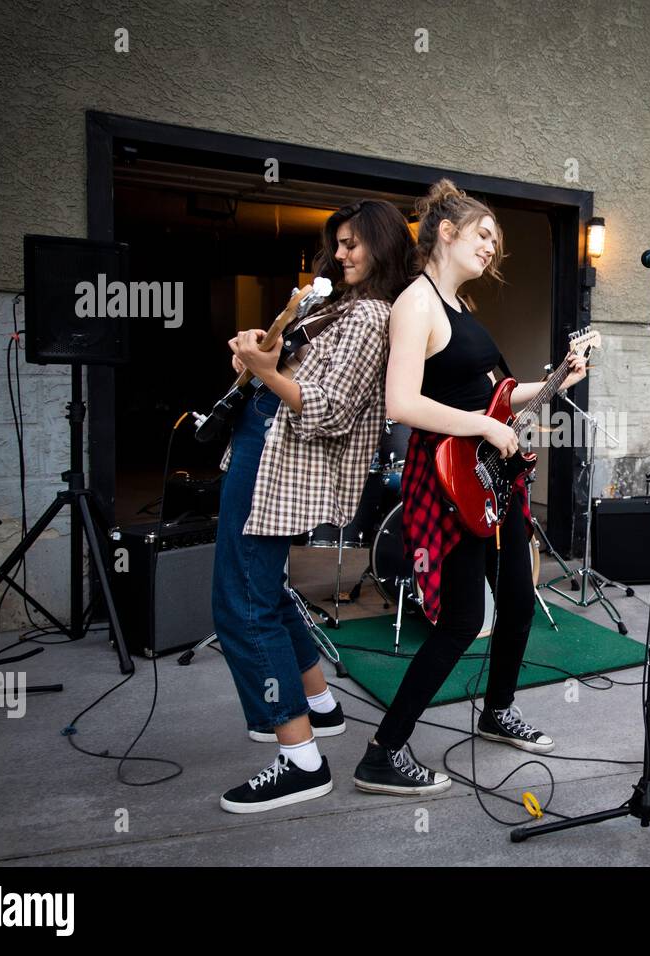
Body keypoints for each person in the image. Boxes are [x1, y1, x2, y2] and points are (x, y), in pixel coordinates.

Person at [353, 179, 587, 795]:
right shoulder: (416, 303)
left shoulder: (463, 311)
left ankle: (498, 710)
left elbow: (501, 398)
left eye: (496, 243)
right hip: (447, 480)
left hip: (491, 478)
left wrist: (560, 377)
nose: (492, 249)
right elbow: (401, 402)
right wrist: (484, 423)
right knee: (460, 621)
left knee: (515, 599)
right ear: (447, 233)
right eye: (485, 236)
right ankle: (384, 752)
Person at [214, 200, 414, 812]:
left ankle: (301, 760)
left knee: (243, 605)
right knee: (264, 594)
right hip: (261, 442)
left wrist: (267, 373)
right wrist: (255, 355)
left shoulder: (373, 315)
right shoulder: (330, 304)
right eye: (340, 242)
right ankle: (320, 708)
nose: (344, 252)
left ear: (382, 247)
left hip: (283, 459)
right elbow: (278, 367)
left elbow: (330, 410)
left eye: (355, 243)